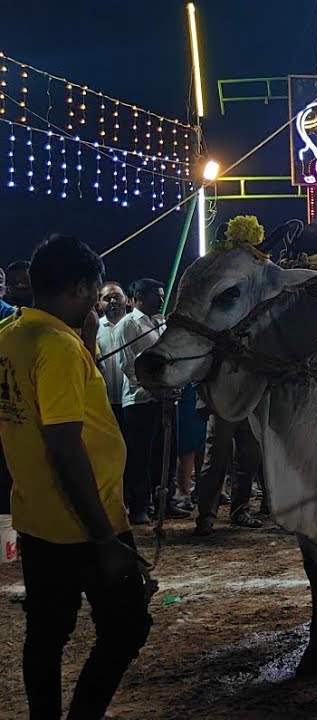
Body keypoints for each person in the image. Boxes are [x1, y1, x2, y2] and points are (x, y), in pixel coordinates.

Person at [0, 235, 152, 720]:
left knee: (46, 632)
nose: (98, 299)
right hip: (85, 521)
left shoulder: (11, 334)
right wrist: (105, 541)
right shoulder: (56, 346)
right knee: (127, 625)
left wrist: (83, 342)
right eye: (92, 289)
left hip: (36, 513)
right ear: (79, 285)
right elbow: (65, 444)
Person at [119, 279, 188, 524]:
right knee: (141, 456)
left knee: (166, 454)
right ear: (138, 297)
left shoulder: (162, 322)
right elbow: (129, 366)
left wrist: (174, 385)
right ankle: (139, 506)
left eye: (161, 295)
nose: (161, 299)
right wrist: (154, 390)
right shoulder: (128, 325)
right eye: (156, 296)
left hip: (168, 400)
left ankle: (165, 501)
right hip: (140, 402)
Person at [192, 410, 265, 536]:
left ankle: (240, 511)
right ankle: (205, 517)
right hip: (222, 406)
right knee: (215, 461)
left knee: (249, 460)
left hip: (250, 407)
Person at [95, 282, 129, 429]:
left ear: (127, 299)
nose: (113, 301)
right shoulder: (94, 328)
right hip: (105, 403)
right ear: (99, 303)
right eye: (107, 298)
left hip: (134, 402)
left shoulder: (137, 325)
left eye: (117, 297)